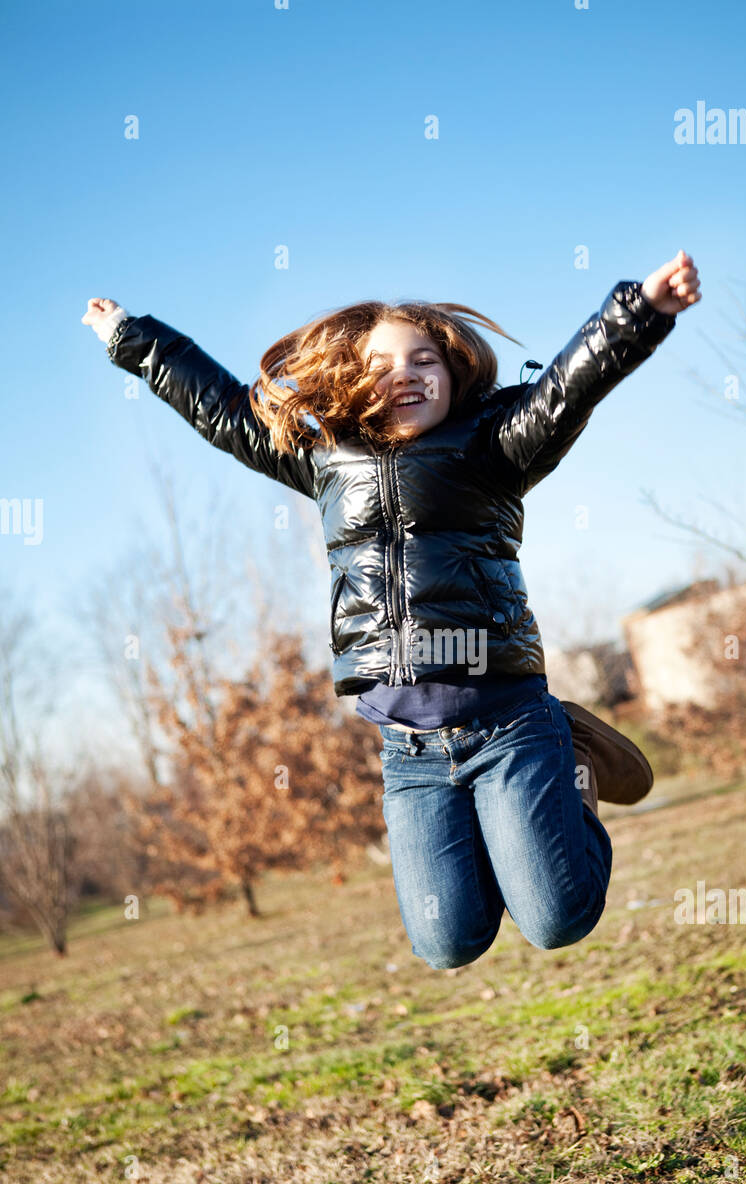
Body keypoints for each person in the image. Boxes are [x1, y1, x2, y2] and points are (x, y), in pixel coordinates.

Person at [82, 251, 700, 969]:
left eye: (424, 359)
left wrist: (642, 310)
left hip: (507, 723)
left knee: (557, 919)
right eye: (381, 365)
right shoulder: (323, 460)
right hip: (408, 750)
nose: (404, 373)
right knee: (448, 943)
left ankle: (574, 759)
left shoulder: (494, 446)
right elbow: (220, 409)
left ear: (455, 371)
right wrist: (133, 338)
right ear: (352, 384)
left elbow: (571, 386)